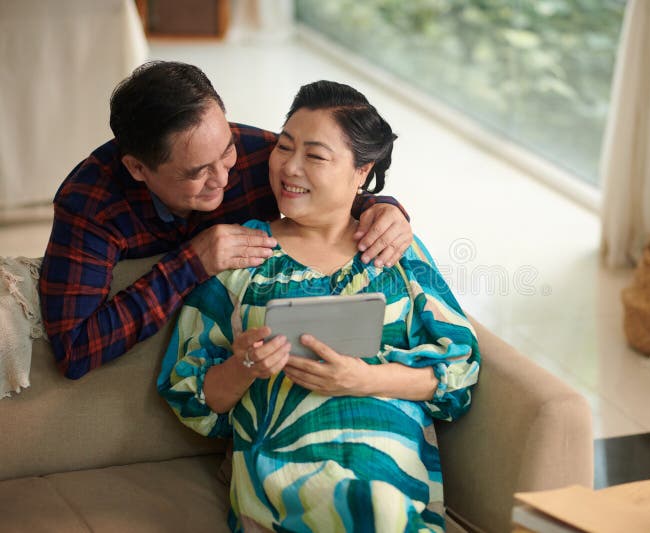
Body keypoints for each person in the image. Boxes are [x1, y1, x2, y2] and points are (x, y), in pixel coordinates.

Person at [158, 80, 480, 532]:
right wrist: (245, 365)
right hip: (284, 469)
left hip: (391, 465)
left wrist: (364, 378)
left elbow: (460, 368)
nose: (289, 167)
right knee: (375, 512)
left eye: (315, 156)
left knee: (381, 506)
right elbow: (192, 396)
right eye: (284, 147)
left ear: (361, 172)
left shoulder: (397, 250)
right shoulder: (240, 253)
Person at [39, 61, 412, 379]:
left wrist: (382, 207)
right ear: (139, 168)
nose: (222, 177)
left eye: (226, 150)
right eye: (198, 172)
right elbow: (74, 350)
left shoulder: (260, 154)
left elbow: (326, 182)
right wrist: (191, 263)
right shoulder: (89, 204)